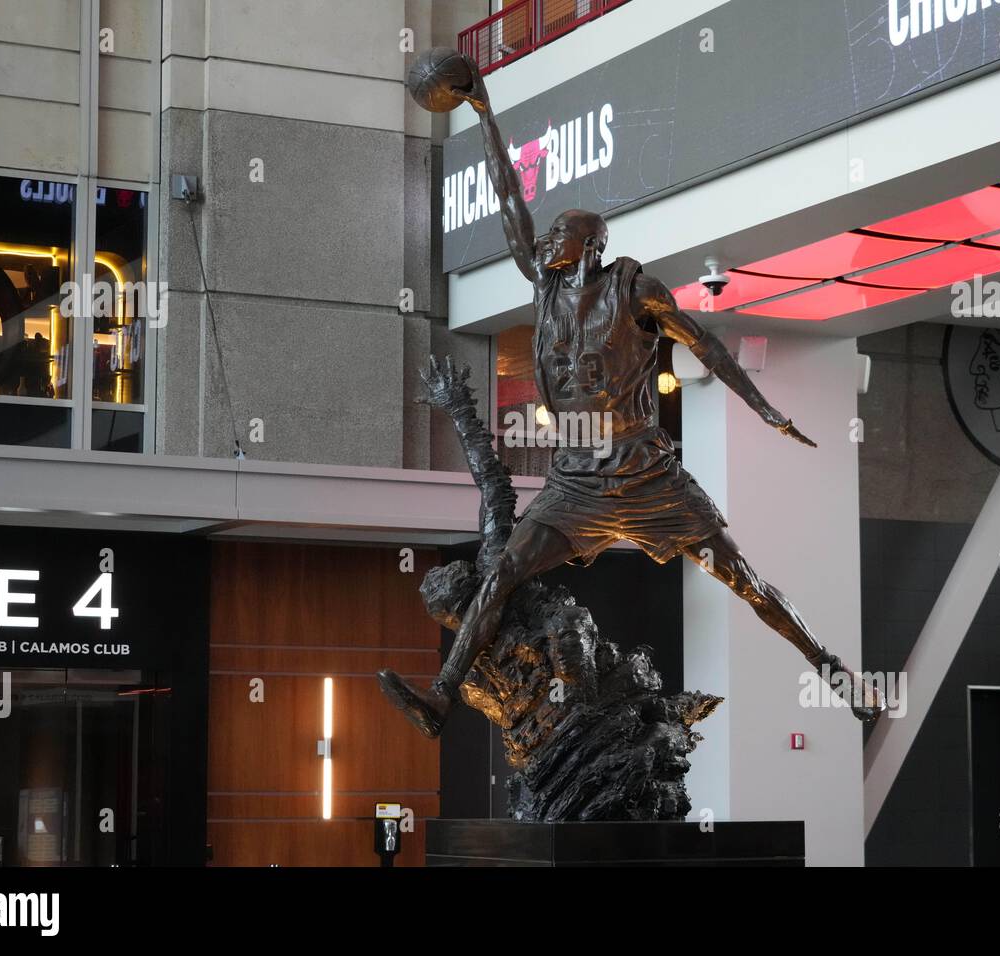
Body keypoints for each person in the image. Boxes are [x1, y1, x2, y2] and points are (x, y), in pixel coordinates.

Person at [378, 59, 883, 737]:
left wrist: (764, 409)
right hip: (577, 482)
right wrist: (485, 112)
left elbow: (706, 346)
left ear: (589, 245)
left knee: (747, 583)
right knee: (501, 572)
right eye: (548, 235)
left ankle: (835, 673)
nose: (544, 241)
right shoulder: (545, 284)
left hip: (647, 478)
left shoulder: (636, 291)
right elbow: (507, 201)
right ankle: (441, 696)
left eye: (559, 235)